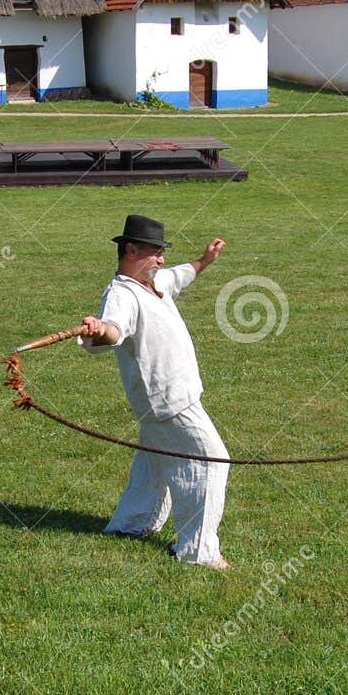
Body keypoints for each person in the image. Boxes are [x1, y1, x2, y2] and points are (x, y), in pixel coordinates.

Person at [79, 213, 231, 569]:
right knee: (211, 460)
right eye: (155, 251)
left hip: (177, 394)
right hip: (165, 400)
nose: (162, 259)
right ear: (131, 250)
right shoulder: (121, 295)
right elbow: (114, 330)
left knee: (156, 465)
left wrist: (205, 260)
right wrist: (99, 330)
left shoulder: (154, 281)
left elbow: (180, 275)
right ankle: (197, 550)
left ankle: (132, 524)